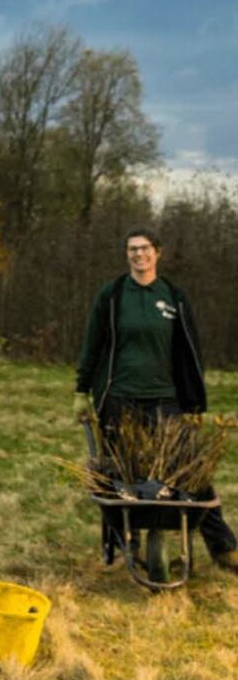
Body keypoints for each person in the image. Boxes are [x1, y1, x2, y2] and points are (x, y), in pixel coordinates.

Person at [74, 228, 238, 580]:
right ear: (126, 255)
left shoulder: (173, 297)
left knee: (191, 471)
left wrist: (194, 403)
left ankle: (224, 546)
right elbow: (93, 343)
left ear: (157, 253)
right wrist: (80, 390)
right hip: (118, 399)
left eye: (145, 249)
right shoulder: (114, 294)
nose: (138, 255)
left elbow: (189, 351)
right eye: (132, 249)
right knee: (117, 477)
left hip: (166, 400)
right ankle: (125, 542)